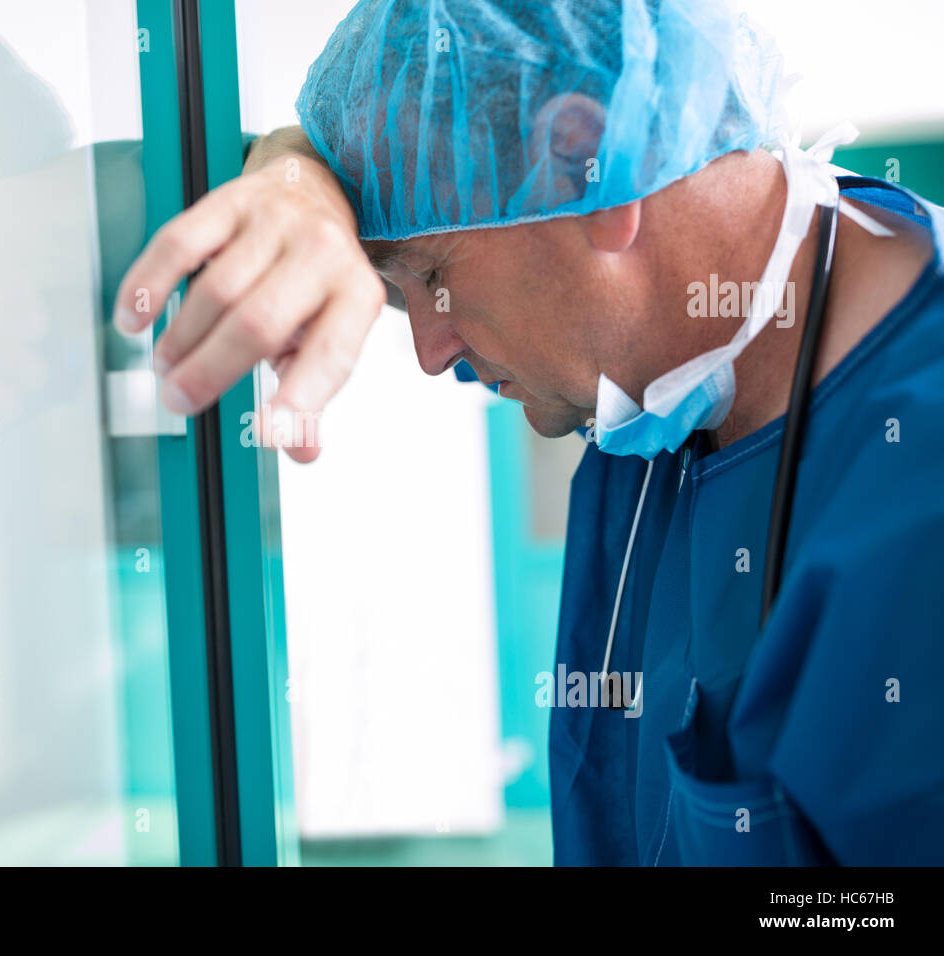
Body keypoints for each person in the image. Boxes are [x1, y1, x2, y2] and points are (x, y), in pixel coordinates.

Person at [115, 0, 944, 864]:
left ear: (585, 159)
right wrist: (295, 179)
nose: (432, 354)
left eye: (431, 275)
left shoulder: (915, 477)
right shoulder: (659, 381)